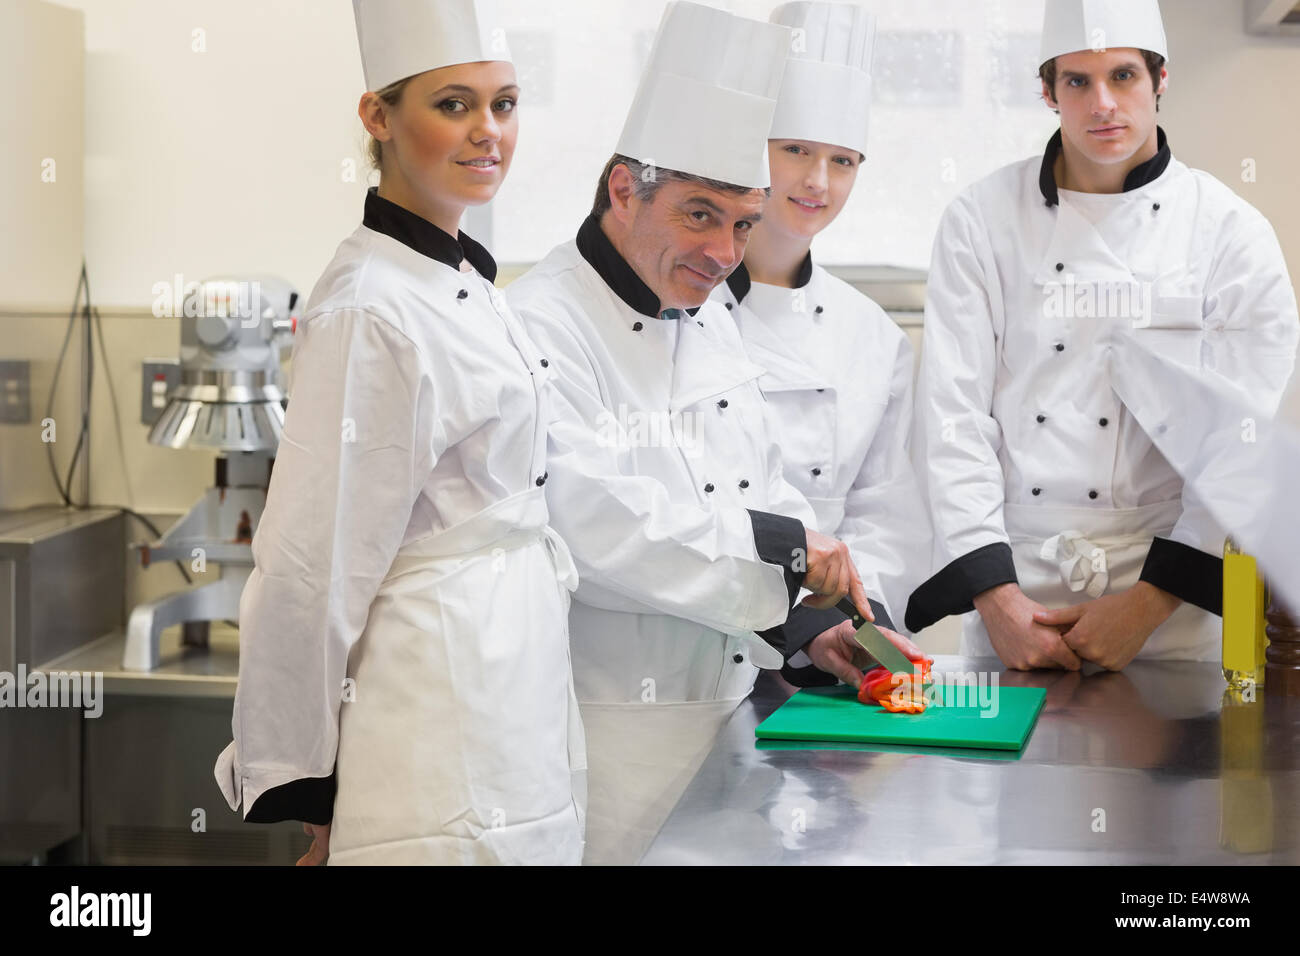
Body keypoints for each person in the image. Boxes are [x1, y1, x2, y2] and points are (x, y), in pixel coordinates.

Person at [507, 0, 918, 865]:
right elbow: (596, 524)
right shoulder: (540, 326)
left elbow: (754, 479)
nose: (727, 252)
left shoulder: (698, 305)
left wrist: (810, 628)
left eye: (743, 222)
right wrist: (790, 549)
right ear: (626, 187)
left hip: (731, 729)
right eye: (700, 215)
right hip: (608, 737)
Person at [214, 0, 585, 865]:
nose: (488, 131)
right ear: (378, 117)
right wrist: (307, 785)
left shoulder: (463, 282)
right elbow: (313, 561)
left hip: (511, 691)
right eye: (452, 105)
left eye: (505, 103)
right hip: (425, 697)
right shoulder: (368, 306)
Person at [905, 0, 1299, 671]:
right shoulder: (980, 220)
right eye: (1078, 82)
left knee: (1174, 774)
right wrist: (997, 602)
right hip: (1015, 597)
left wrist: (1147, 604)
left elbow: (1240, 444)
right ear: (1047, 90)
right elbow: (953, 418)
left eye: (1123, 76)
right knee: (1005, 776)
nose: (1103, 104)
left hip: (1172, 608)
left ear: (1160, 80)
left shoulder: (1230, 232)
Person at [712, 1, 931, 686]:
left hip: (831, 648)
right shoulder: (686, 308)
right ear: (755, 149)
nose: (818, 182)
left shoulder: (873, 335)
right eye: (797, 151)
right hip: (709, 630)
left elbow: (888, 505)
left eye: (842, 160)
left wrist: (858, 626)